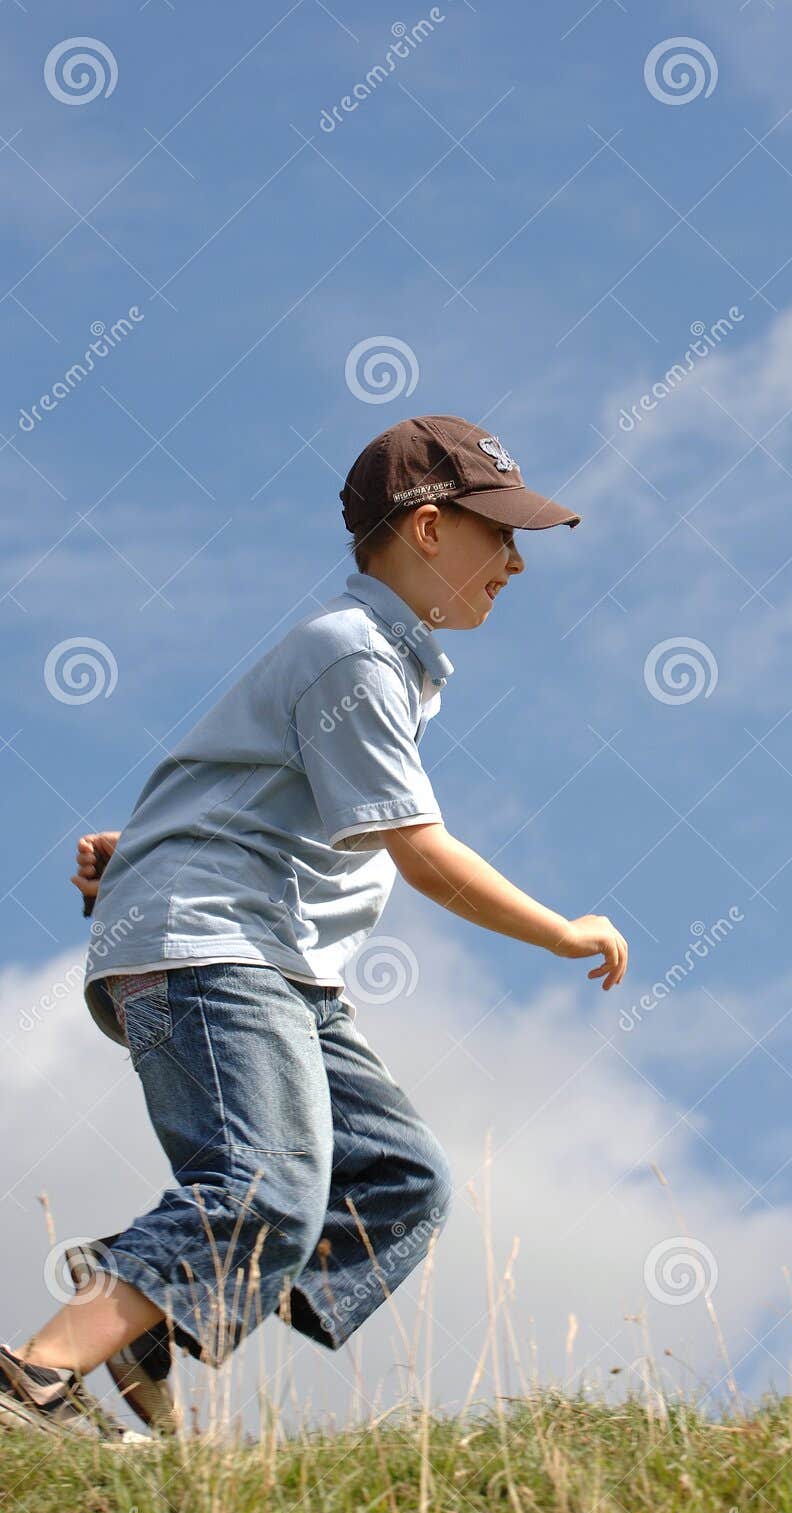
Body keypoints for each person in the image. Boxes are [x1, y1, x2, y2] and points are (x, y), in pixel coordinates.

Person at [0, 415, 629, 1439]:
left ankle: (138, 1306)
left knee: (399, 1178)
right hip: (217, 951)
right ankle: (33, 1375)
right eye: (499, 533)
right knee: (266, 1186)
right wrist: (561, 931)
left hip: (264, 954)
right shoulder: (353, 658)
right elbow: (422, 854)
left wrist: (151, 848)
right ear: (427, 529)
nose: (516, 561)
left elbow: (241, 781)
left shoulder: (382, 661)